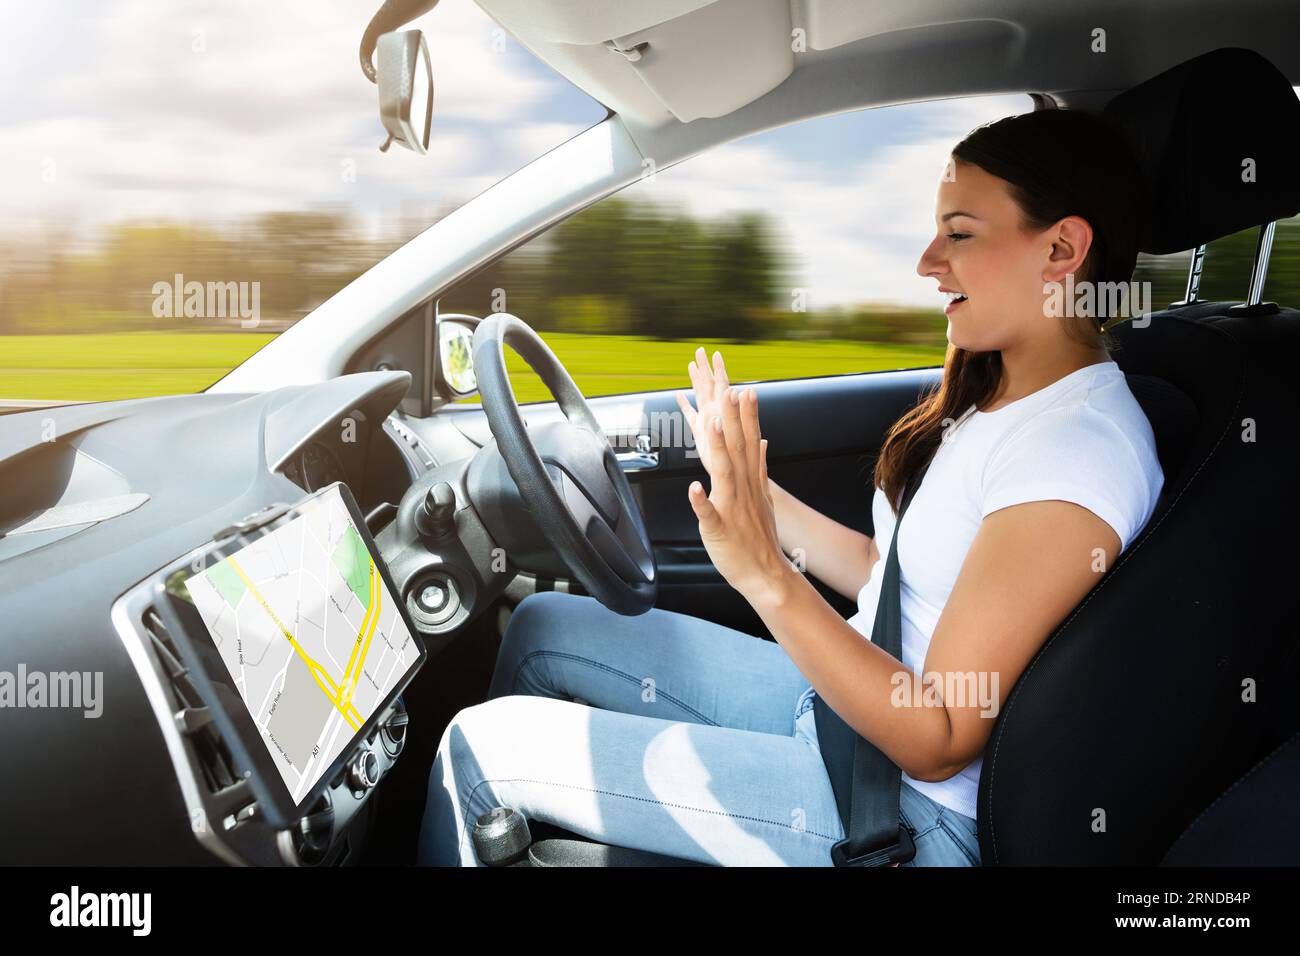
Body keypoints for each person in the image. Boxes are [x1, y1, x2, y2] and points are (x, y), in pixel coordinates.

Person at [417, 107, 1164, 866]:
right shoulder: (1005, 395)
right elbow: (894, 576)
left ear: (1063, 249)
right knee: (544, 623)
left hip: (905, 809)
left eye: (961, 233)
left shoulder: (1076, 451)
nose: (927, 262)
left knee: (480, 750)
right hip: (846, 714)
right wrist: (753, 493)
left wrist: (766, 576)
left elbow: (939, 737)